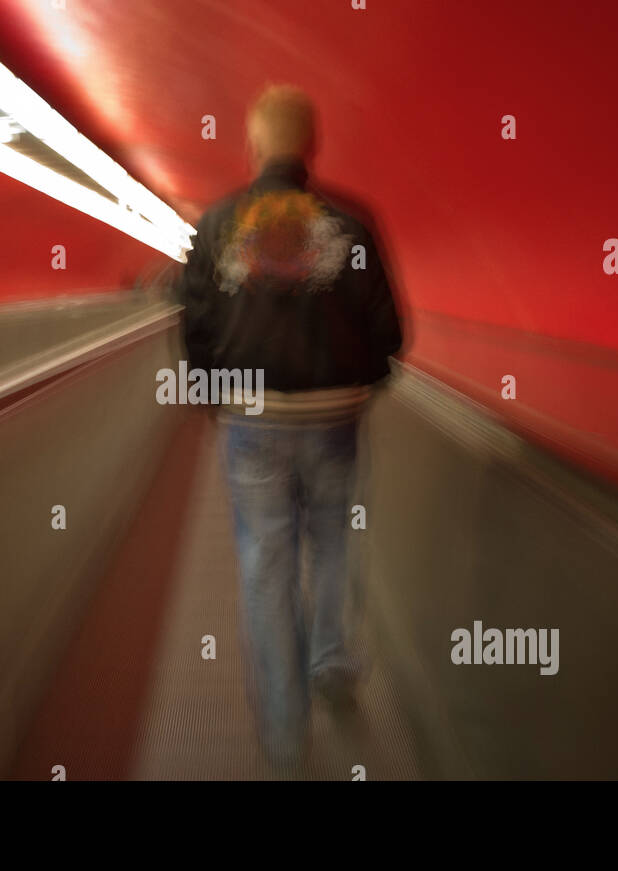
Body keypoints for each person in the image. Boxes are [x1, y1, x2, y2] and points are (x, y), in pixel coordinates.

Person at [175, 84, 404, 768]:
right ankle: (332, 664)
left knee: (266, 564)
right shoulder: (354, 224)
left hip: (253, 420)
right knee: (334, 543)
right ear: (313, 146)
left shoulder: (218, 224)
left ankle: (283, 729)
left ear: (252, 146)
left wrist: (214, 392)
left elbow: (194, 326)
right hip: (335, 416)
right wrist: (361, 380)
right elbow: (391, 331)